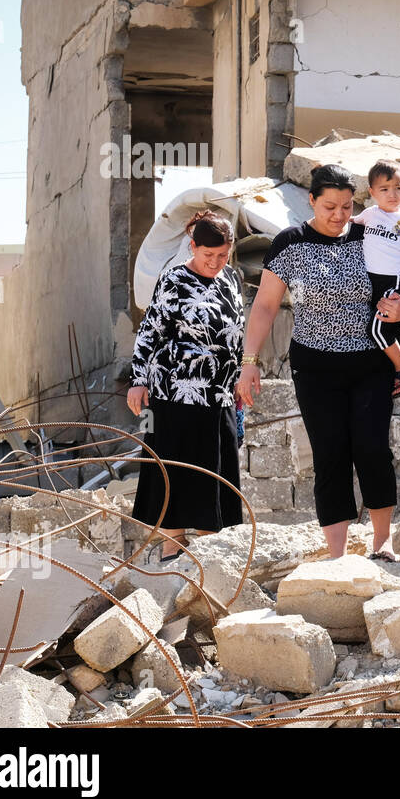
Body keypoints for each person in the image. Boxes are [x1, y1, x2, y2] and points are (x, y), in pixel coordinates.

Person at [236, 164, 400, 560]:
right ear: (312, 201)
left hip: (370, 362)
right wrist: (250, 361)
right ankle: (338, 553)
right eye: (330, 206)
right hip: (315, 368)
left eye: (347, 207)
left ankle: (382, 544)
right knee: (330, 453)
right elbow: (264, 307)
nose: (339, 215)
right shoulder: (289, 243)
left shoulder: (372, 235)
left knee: (371, 448)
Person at [128, 210, 245, 562]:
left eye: (222, 255)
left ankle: (209, 558)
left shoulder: (232, 280)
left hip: (220, 395)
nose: (215, 262)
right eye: (208, 255)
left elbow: (237, 334)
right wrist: (138, 380)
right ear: (193, 247)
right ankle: (171, 552)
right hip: (174, 393)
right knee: (173, 470)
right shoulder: (174, 279)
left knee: (214, 475)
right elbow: (150, 331)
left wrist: (240, 378)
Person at [349, 159, 400, 404]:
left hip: (393, 282)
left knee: (376, 329)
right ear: (372, 192)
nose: (392, 194)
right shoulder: (370, 214)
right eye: (384, 189)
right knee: (392, 330)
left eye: (398, 187)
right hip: (370, 282)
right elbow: (350, 225)